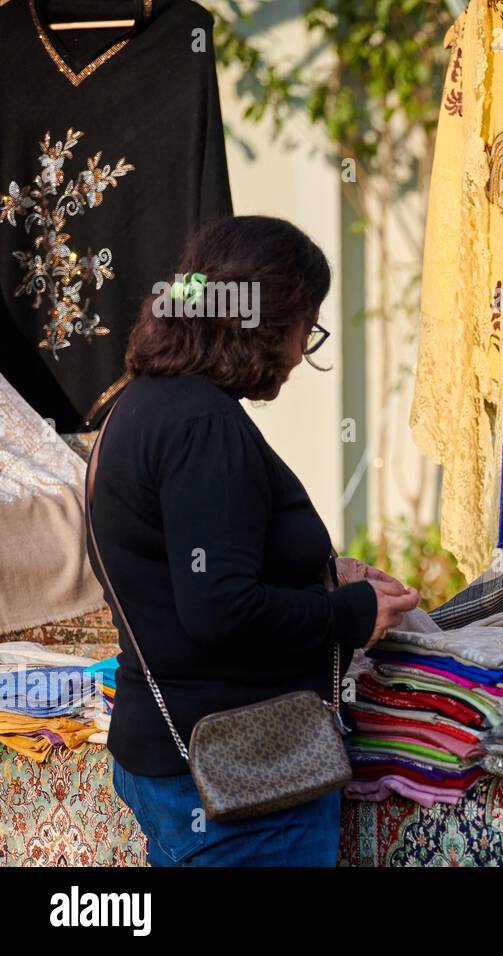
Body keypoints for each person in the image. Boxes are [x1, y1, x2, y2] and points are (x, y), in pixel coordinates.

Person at [88, 216, 420, 866]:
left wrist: (322, 578)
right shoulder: (201, 425)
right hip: (235, 780)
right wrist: (353, 613)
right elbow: (219, 609)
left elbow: (190, 570)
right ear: (269, 323)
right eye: (307, 330)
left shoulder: (143, 406)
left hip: (185, 757)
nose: (302, 354)